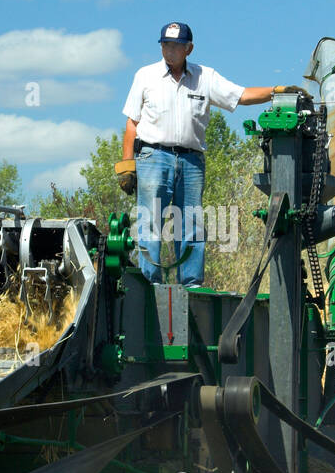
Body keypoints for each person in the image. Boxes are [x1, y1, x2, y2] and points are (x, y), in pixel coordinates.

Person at [116, 22, 275, 285]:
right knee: (150, 222)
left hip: (191, 160)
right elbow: (132, 122)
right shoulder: (145, 76)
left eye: (176, 46)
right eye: (165, 44)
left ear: (188, 48)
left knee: (190, 223)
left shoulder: (206, 77)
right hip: (152, 157)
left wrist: (276, 92)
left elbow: (241, 95)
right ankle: (148, 283)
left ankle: (191, 285)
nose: (169, 50)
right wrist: (127, 165)